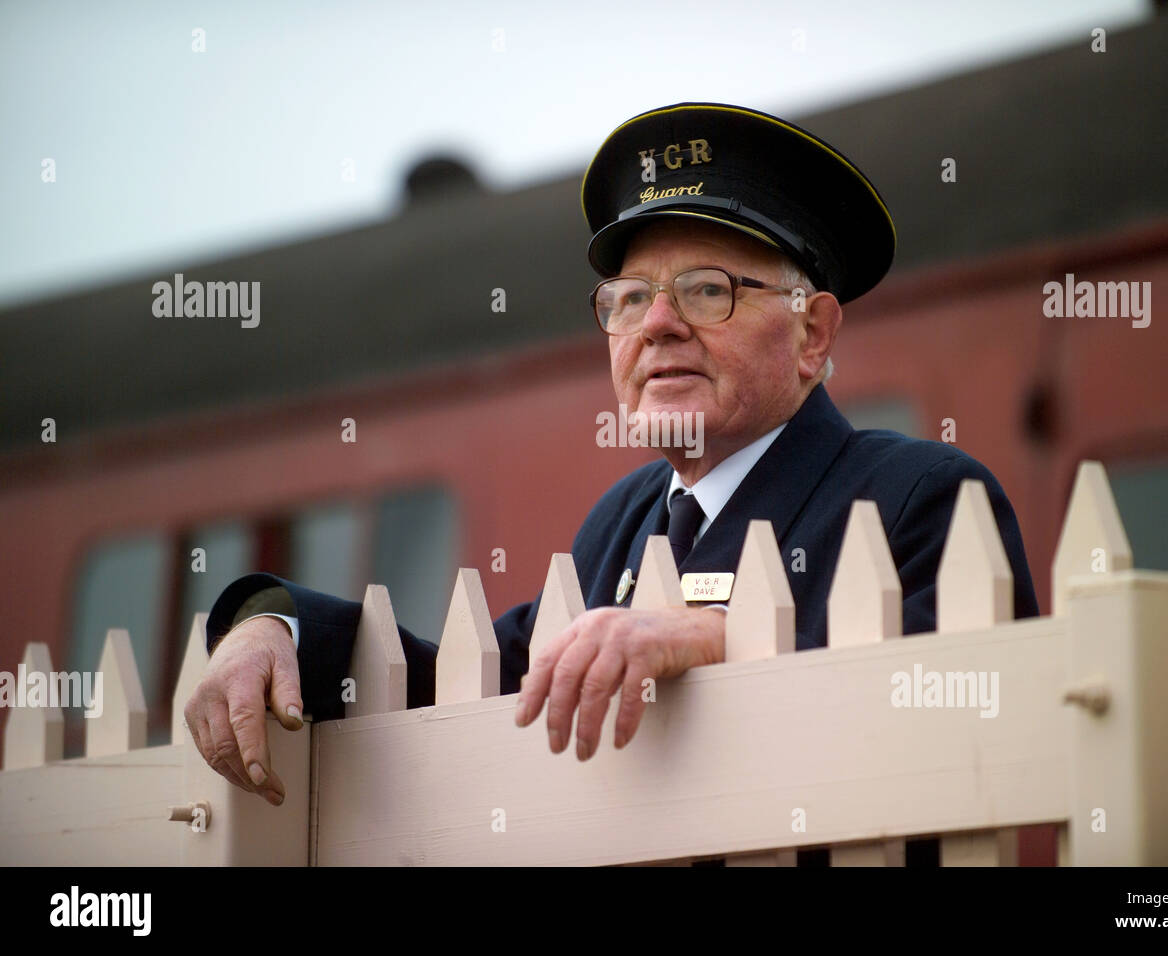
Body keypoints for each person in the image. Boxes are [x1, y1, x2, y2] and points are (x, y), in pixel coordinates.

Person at [185, 102, 1038, 808]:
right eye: (630, 299)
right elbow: (461, 687)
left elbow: (964, 742)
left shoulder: (923, 499)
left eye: (708, 290)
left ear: (812, 333)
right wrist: (274, 621)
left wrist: (711, 637)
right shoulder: (622, 522)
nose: (658, 325)